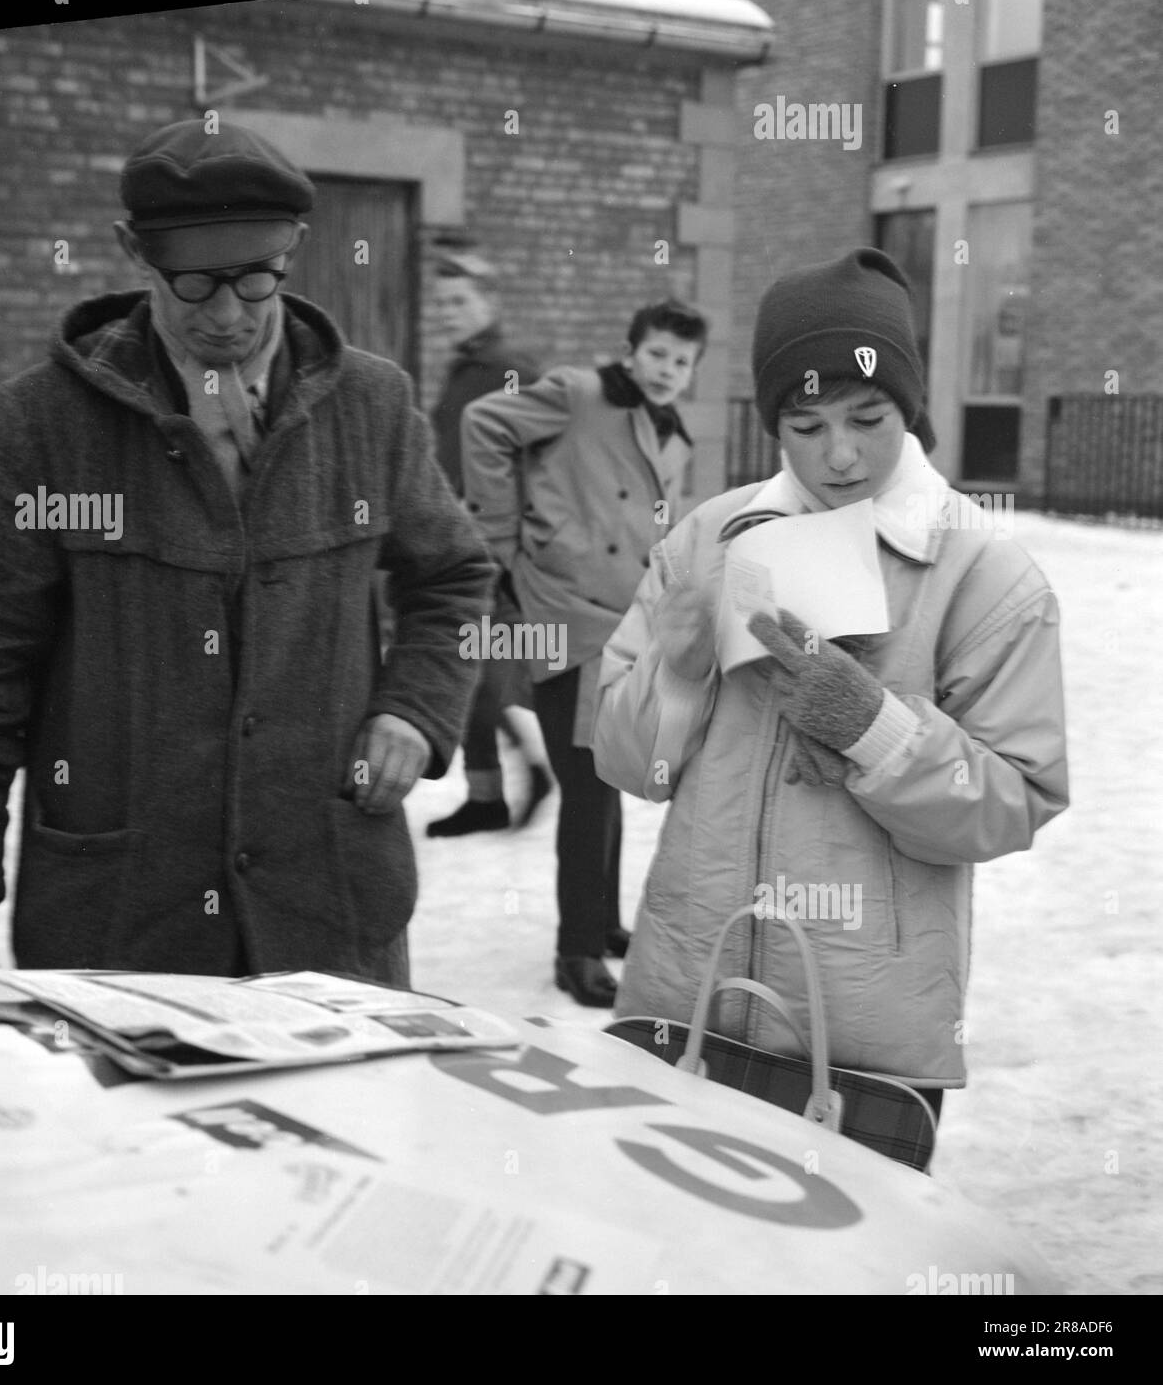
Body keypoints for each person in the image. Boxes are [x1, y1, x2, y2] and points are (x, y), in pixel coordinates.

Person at [0, 118, 494, 979]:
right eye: (191, 284)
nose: (227, 316)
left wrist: (414, 707)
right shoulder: (44, 423)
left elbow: (455, 574)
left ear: (293, 250)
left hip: (328, 914)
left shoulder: (372, 403)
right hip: (122, 922)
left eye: (257, 281)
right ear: (132, 253)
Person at [593, 248, 1069, 1110]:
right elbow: (630, 769)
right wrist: (676, 672)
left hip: (862, 1035)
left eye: (869, 418)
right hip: (685, 999)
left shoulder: (986, 574)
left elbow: (1015, 802)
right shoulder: (709, 537)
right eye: (806, 428)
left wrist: (873, 727)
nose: (840, 455)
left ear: (910, 411)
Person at [463, 299, 707, 1005]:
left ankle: (601, 925)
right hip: (562, 614)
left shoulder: (673, 435)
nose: (667, 370)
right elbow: (483, 424)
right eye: (657, 354)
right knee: (587, 788)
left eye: (681, 361)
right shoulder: (577, 393)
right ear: (632, 350)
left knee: (609, 782)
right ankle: (575, 955)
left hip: (625, 625)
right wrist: (505, 543)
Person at [425, 240, 551, 836]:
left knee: (481, 670)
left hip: (495, 552)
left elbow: (544, 462)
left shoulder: (510, 371)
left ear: (488, 302)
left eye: (458, 300)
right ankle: (490, 792)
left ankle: (516, 772)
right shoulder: (469, 369)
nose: (446, 312)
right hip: (462, 543)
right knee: (474, 670)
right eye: (441, 302)